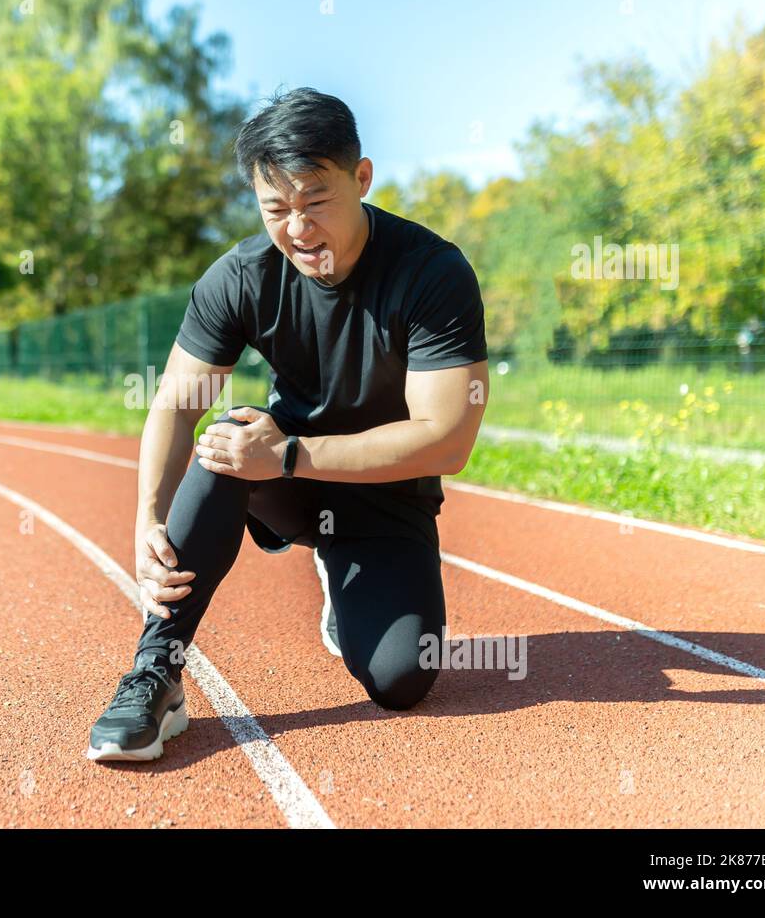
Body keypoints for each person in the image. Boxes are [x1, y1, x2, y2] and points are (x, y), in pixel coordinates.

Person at [86, 87, 489, 762]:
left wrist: (292, 453)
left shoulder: (431, 273)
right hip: (283, 480)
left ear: (361, 178)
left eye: (314, 201)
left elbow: (447, 440)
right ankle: (157, 671)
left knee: (401, 679)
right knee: (224, 437)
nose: (297, 228)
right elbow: (177, 402)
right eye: (276, 208)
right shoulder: (241, 276)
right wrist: (147, 519)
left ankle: (342, 580)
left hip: (383, 490)